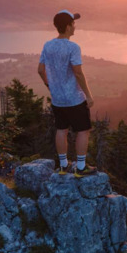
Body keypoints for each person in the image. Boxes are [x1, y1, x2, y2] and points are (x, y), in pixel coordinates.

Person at [38, 10, 97, 177]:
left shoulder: (47, 46)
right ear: (68, 26)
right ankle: (80, 167)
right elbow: (78, 73)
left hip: (58, 99)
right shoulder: (73, 47)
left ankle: (63, 166)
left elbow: (40, 70)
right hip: (74, 98)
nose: (75, 26)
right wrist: (89, 95)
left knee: (61, 129)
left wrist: (50, 87)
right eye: (73, 23)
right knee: (83, 130)